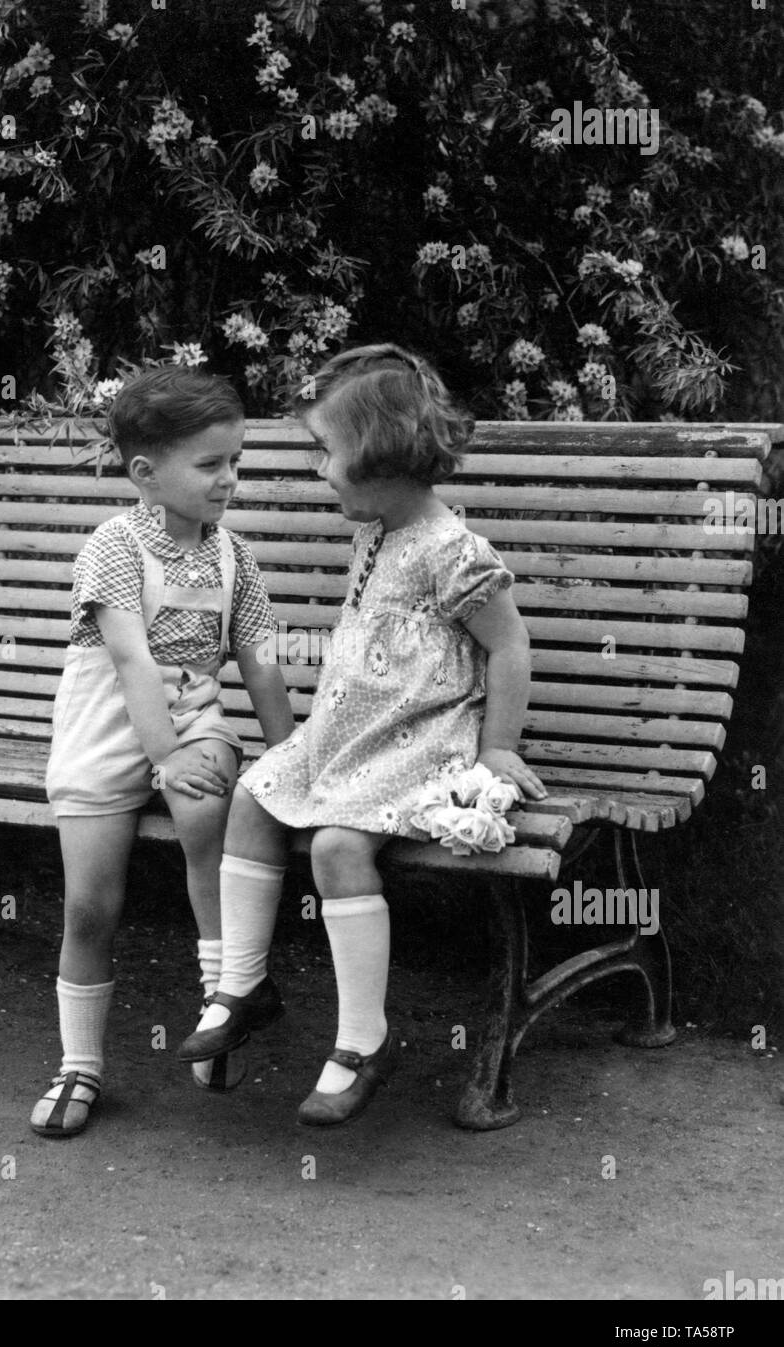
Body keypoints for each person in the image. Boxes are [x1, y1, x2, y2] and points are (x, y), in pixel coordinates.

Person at [176, 343, 547, 1125]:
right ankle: (241, 985)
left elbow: (508, 645)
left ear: (381, 458)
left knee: (338, 848)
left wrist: (500, 748)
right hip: (351, 732)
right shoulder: (375, 528)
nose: (321, 470)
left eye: (328, 454)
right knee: (253, 796)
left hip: (420, 740)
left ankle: (360, 1042)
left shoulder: (454, 552)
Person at [31, 366, 294, 1137]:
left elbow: (262, 661)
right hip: (107, 722)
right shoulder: (113, 548)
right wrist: (164, 755)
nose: (229, 479)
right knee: (90, 905)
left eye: (235, 461)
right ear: (146, 474)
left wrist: (285, 758)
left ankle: (225, 1004)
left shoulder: (233, 558)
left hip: (195, 716)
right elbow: (132, 664)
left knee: (209, 821)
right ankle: (79, 1065)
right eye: (211, 465)